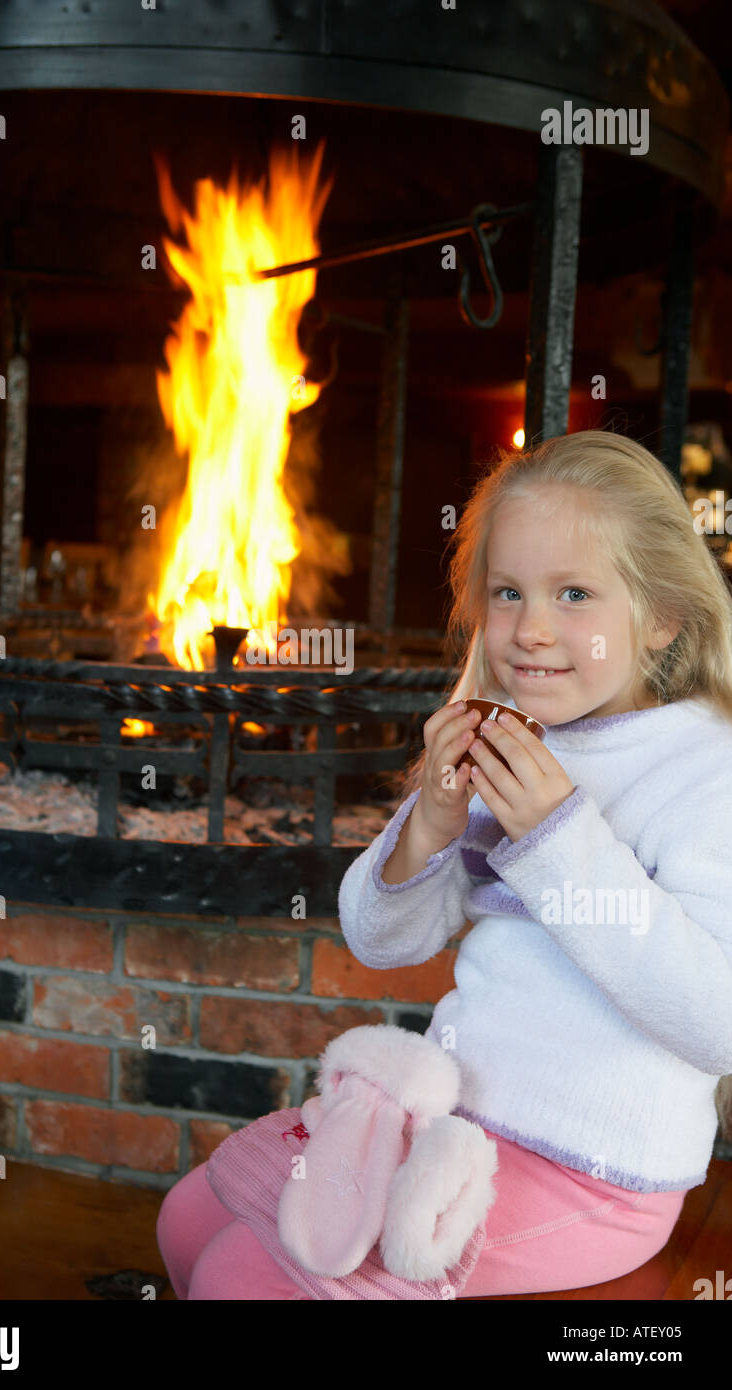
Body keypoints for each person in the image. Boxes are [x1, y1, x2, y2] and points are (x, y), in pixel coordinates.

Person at [157, 429, 732, 1299]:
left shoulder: (703, 769)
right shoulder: (514, 734)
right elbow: (381, 938)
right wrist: (430, 821)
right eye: (508, 593)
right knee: (188, 1220)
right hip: (458, 1125)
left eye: (574, 593)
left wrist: (559, 836)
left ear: (661, 617)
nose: (531, 629)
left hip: (594, 1174)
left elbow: (716, 1021)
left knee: (240, 1276)